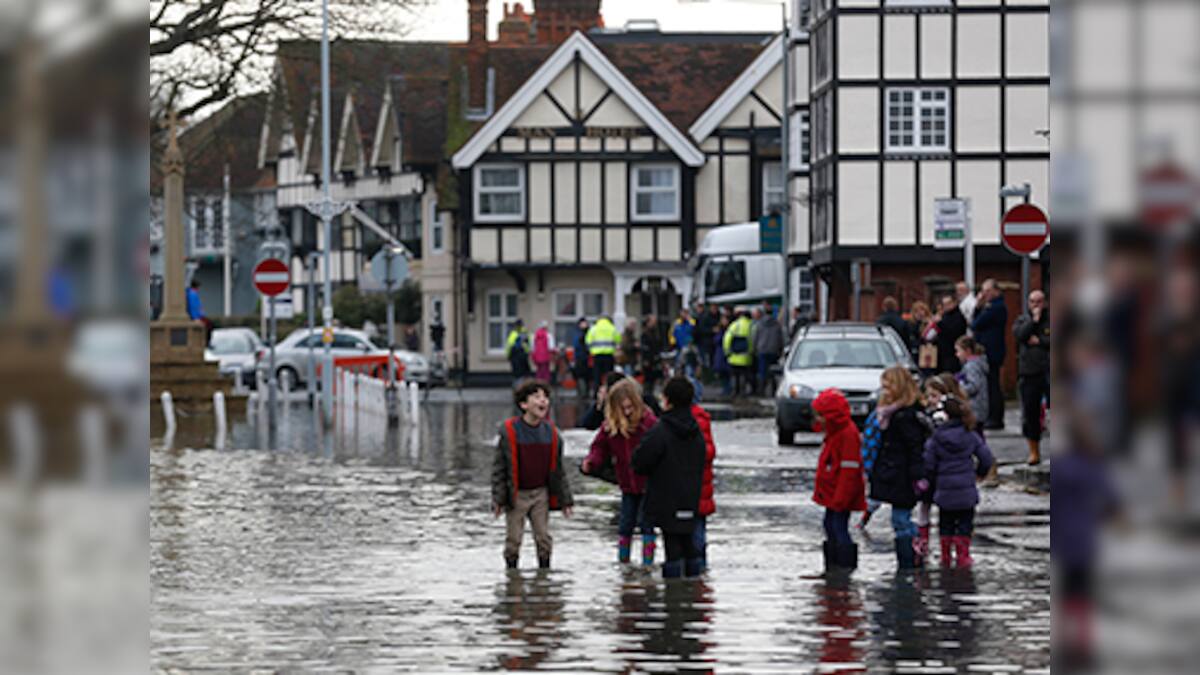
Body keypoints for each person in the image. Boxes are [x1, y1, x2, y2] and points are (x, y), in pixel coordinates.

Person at [492, 381, 574, 569]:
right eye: (537, 397)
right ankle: (512, 576)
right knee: (513, 539)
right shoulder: (509, 431)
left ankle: (544, 576)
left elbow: (559, 470)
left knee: (543, 538)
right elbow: (499, 469)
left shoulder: (552, 433)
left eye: (545, 397)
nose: (542, 401)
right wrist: (498, 499)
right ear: (524, 405)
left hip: (541, 495)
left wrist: (566, 500)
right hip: (517, 495)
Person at [632, 377, 707, 578]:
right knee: (691, 549)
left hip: (665, 502)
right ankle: (692, 598)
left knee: (672, 550)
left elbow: (639, 462)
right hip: (691, 500)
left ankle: (674, 601)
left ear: (667, 400)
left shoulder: (660, 431)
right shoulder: (696, 431)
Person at [583, 379, 659, 564]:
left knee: (647, 525)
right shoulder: (610, 426)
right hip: (626, 484)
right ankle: (623, 563)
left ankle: (647, 565)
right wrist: (592, 461)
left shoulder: (649, 423)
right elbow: (599, 447)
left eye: (630, 408)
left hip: (649, 484)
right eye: (622, 408)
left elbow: (661, 448)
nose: (627, 412)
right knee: (625, 525)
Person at [923, 390, 994, 568]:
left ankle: (946, 555)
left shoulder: (936, 438)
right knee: (965, 523)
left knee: (945, 523)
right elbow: (986, 457)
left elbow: (928, 464)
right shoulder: (970, 435)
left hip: (944, 490)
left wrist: (931, 480)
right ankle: (963, 555)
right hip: (966, 489)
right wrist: (980, 473)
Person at [868, 365, 929, 569]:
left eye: (888, 386)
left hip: (902, 475)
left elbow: (914, 448)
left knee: (900, 518)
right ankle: (911, 553)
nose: (884, 390)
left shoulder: (905, 416)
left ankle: (910, 556)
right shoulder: (890, 414)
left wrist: (917, 475)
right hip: (893, 474)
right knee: (899, 518)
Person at [811, 388, 867, 573]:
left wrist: (841, 498)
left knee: (838, 527)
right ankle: (835, 565)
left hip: (839, 494)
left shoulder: (846, 434)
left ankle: (843, 566)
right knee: (831, 525)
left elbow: (849, 471)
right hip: (833, 493)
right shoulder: (836, 432)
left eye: (821, 415)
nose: (818, 419)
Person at [1012, 290, 1050, 465]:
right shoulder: (1022, 320)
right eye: (1033, 302)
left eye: (1039, 301)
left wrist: (1040, 341)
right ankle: (1034, 451)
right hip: (1029, 372)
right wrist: (1033, 321)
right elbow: (1020, 335)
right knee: (1030, 414)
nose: (1036, 305)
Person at [970, 279, 1008, 429]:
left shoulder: (996, 307)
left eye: (987, 291)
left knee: (993, 386)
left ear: (995, 291)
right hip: (988, 349)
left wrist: (980, 307)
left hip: (992, 351)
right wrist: (979, 307)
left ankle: (995, 417)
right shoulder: (989, 307)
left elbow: (976, 324)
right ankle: (992, 416)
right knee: (990, 384)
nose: (984, 294)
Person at [691, 402, 717, 569]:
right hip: (700, 489)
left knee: (695, 537)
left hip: (695, 489)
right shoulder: (702, 419)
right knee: (697, 537)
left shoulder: (696, 420)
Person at [955, 336, 990, 433]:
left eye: (958, 351)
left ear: (967, 351)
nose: (957, 354)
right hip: (979, 407)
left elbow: (974, 386)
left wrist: (959, 388)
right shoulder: (976, 364)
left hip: (974, 408)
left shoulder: (972, 366)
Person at [753, 304, 786, 396]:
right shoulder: (777, 325)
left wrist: (755, 349)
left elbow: (755, 337)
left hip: (762, 350)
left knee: (762, 371)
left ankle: (761, 391)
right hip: (774, 350)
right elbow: (781, 339)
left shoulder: (759, 324)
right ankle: (773, 390)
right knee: (773, 372)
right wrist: (780, 350)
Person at [723, 309, 755, 397]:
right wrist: (751, 351)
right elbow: (754, 340)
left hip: (734, 356)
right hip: (746, 356)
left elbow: (727, 338)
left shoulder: (735, 324)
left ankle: (735, 391)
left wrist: (727, 351)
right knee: (745, 375)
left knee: (735, 375)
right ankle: (743, 391)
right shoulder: (752, 325)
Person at [934, 294, 968, 374]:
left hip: (952, 352)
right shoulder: (945, 315)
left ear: (954, 303)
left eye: (949, 303)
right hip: (943, 352)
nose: (947, 306)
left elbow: (953, 332)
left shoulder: (958, 317)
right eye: (944, 304)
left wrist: (940, 323)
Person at [586, 315, 621, 394]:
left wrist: (592, 351)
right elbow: (618, 340)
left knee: (597, 376)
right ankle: (610, 393)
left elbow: (588, 341)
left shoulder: (594, 328)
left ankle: (596, 394)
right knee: (609, 377)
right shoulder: (612, 328)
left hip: (597, 356)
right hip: (609, 355)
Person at [640, 315, 663, 394]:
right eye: (652, 321)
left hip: (656, 360)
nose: (654, 323)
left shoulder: (656, 333)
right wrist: (646, 360)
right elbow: (645, 349)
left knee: (656, 380)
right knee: (648, 381)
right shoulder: (645, 335)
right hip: (648, 361)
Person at [670, 310, 695, 375]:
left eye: (685, 314)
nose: (684, 315)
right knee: (679, 365)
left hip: (689, 348)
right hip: (679, 348)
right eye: (682, 313)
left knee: (689, 367)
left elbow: (695, 331)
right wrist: (673, 343)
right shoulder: (676, 323)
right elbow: (671, 334)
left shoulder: (691, 322)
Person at [713, 314, 732, 397]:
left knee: (727, 373)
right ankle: (726, 389)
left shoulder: (728, 329)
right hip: (720, 353)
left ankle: (728, 389)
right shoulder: (720, 330)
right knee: (722, 373)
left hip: (725, 353)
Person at [695, 304, 718, 371]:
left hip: (714, 343)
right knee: (706, 361)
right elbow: (701, 329)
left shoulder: (717, 316)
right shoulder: (705, 317)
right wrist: (712, 330)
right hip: (705, 343)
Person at [572, 318, 592, 397]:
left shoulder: (587, 332)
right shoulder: (579, 333)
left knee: (586, 376)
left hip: (586, 357)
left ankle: (585, 392)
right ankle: (582, 392)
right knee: (581, 376)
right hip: (581, 357)